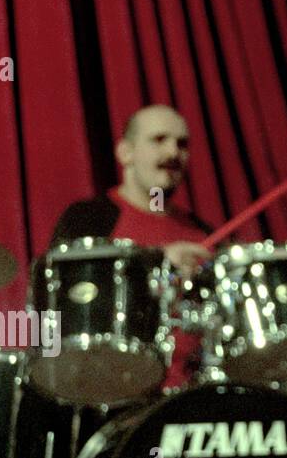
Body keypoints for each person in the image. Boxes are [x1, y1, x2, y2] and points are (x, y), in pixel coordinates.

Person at [49, 103, 212, 388]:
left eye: (182, 144)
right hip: (110, 392)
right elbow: (65, 305)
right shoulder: (88, 219)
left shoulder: (202, 234)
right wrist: (157, 262)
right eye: (159, 140)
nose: (173, 153)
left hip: (196, 395)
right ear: (125, 152)